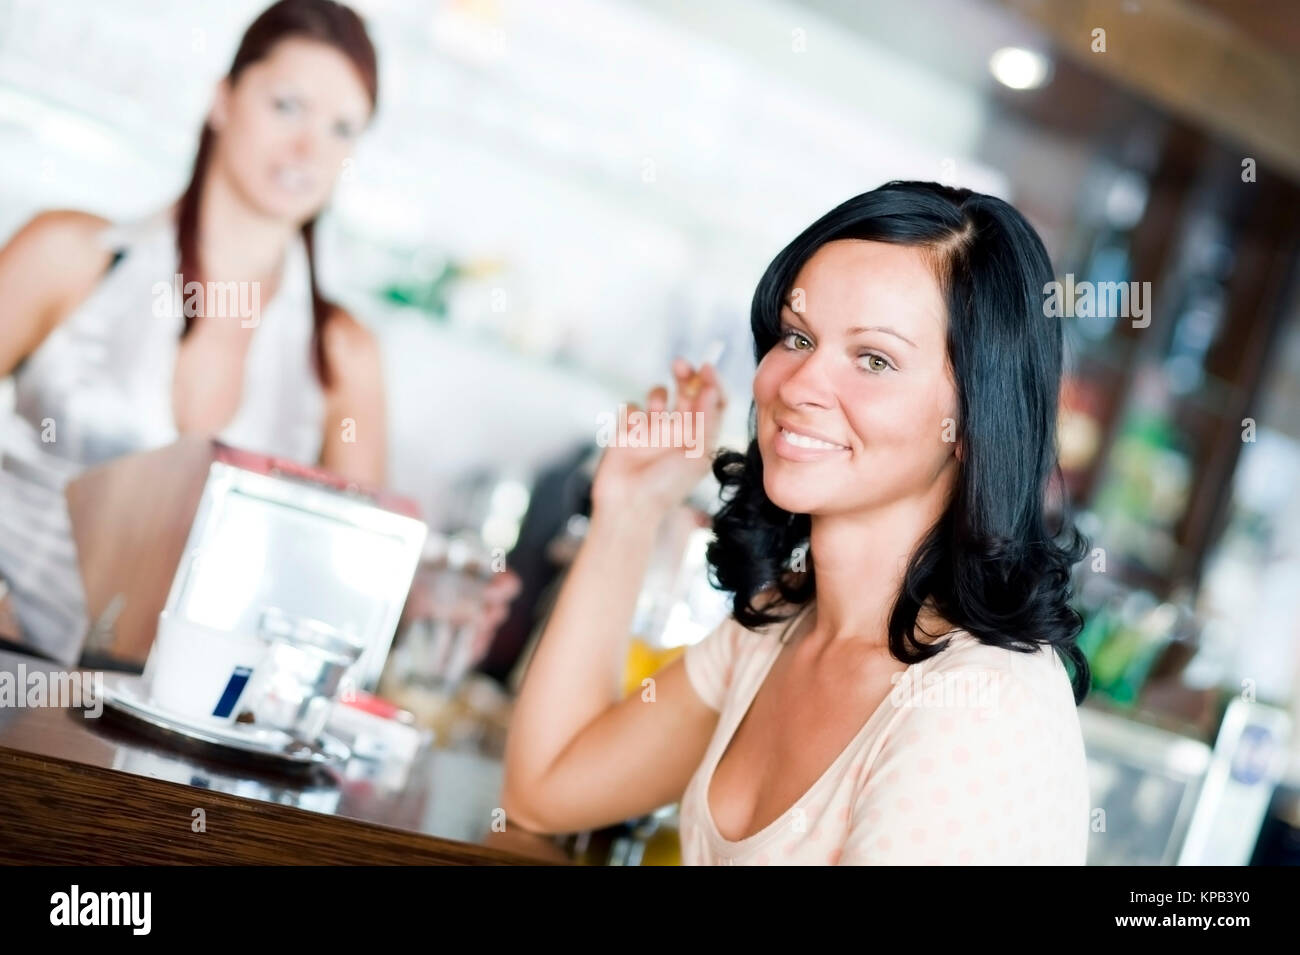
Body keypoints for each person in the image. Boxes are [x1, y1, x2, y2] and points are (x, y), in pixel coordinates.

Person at [501, 180, 1093, 865]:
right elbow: (545, 789)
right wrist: (629, 514)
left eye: (874, 358)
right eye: (797, 335)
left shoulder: (985, 706)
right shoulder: (782, 626)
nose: (798, 383)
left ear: (973, 421)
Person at [0, 0, 385, 664]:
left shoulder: (343, 355)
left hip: (175, 731)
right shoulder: (71, 255)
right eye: (287, 106)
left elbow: (353, 587)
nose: (307, 149)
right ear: (222, 100)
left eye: (341, 128)